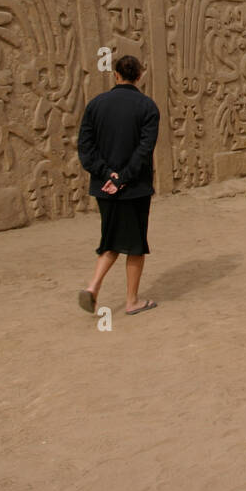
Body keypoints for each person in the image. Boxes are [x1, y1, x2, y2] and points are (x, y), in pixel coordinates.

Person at [76, 54, 160, 316]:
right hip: (134, 187)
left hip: (104, 187)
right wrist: (122, 178)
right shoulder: (147, 107)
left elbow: (85, 149)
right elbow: (144, 150)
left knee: (111, 238)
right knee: (135, 245)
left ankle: (93, 288)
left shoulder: (96, 105)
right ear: (140, 75)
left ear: (116, 75)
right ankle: (132, 301)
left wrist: (107, 175)